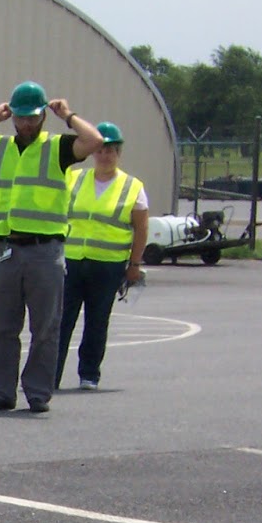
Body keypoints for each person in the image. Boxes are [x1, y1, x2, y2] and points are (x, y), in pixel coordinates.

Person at [0, 81, 103, 413]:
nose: (26, 124)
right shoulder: (0, 147)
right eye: (20, 118)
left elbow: (94, 140)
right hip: (6, 249)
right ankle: (2, 392)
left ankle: (37, 392)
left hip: (44, 251)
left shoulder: (58, 147)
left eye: (32, 118)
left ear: (42, 117)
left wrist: (68, 115)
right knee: (2, 327)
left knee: (45, 326)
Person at [57, 121, 147, 391]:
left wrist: (135, 264)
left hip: (107, 265)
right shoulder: (75, 178)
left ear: (118, 153)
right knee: (61, 321)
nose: (105, 156)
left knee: (97, 321)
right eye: (100, 150)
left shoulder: (132, 186)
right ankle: (51, 375)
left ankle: (89, 374)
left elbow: (141, 228)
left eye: (111, 151)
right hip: (71, 261)